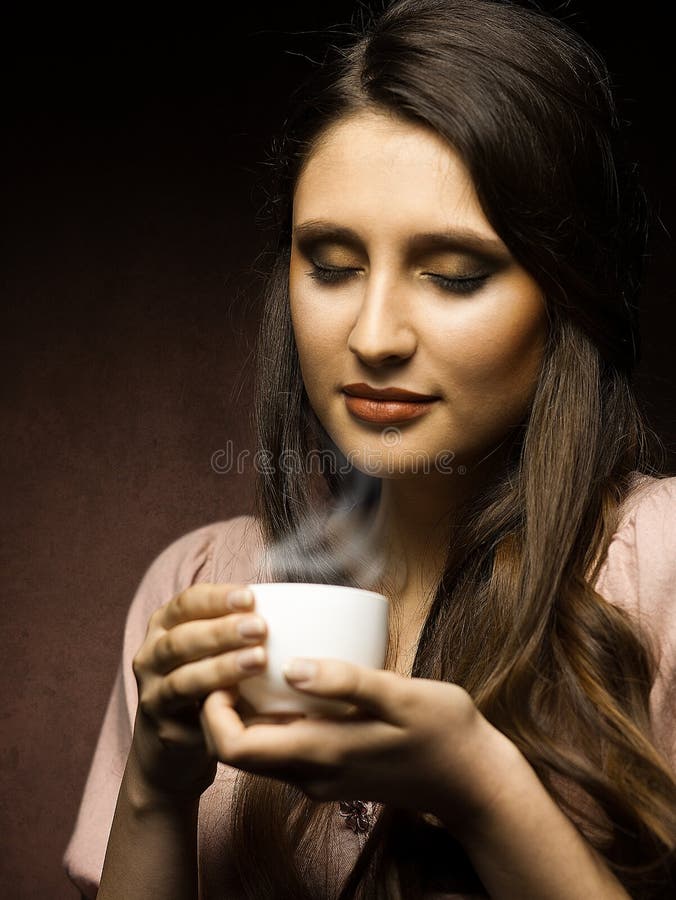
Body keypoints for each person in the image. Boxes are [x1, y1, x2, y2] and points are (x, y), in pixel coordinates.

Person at [63, 1, 676, 897]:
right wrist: (155, 790)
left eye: (454, 275)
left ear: (566, 293)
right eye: (334, 265)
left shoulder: (652, 563)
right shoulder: (203, 585)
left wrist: (482, 785)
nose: (375, 333)